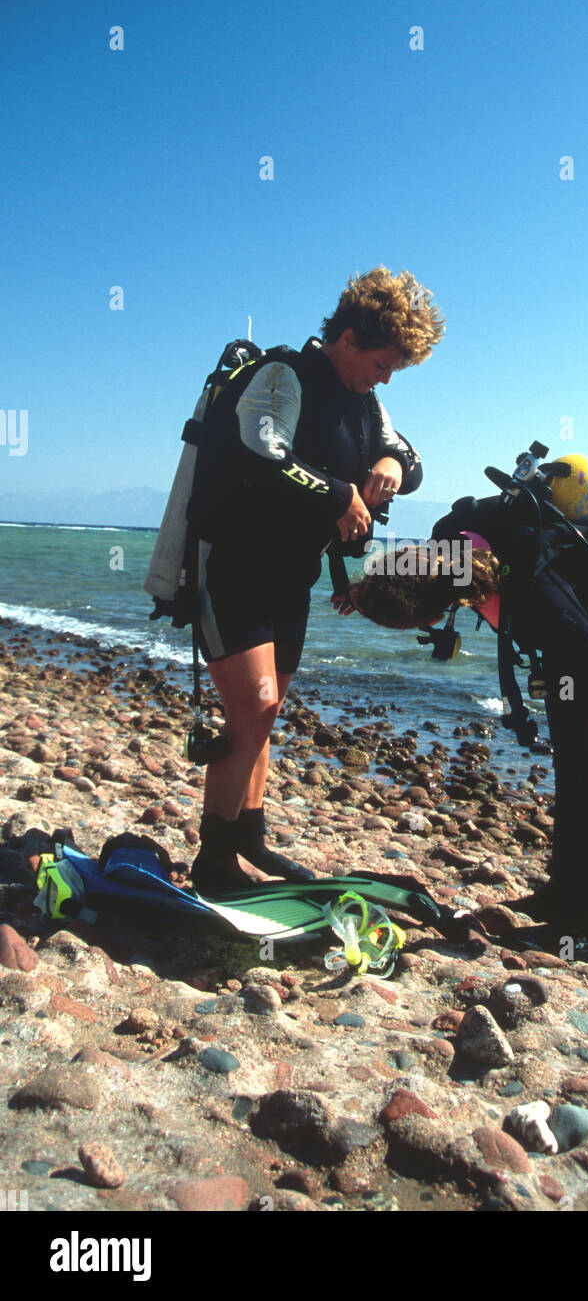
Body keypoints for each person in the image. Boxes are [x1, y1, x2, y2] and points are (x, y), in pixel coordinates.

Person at [187, 267, 444, 893]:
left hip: (291, 576)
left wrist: (388, 461)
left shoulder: (365, 402)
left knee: (264, 716)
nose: (386, 378)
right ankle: (214, 860)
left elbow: (411, 459)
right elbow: (263, 450)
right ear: (349, 338)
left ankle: (249, 836)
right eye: (382, 363)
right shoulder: (285, 375)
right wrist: (337, 494)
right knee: (255, 705)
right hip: (232, 566)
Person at [348, 490, 588, 962]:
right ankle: (562, 897)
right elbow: (396, 585)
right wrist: (360, 594)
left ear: (436, 613)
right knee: (571, 767)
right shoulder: (442, 552)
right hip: (571, 632)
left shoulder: (533, 595)